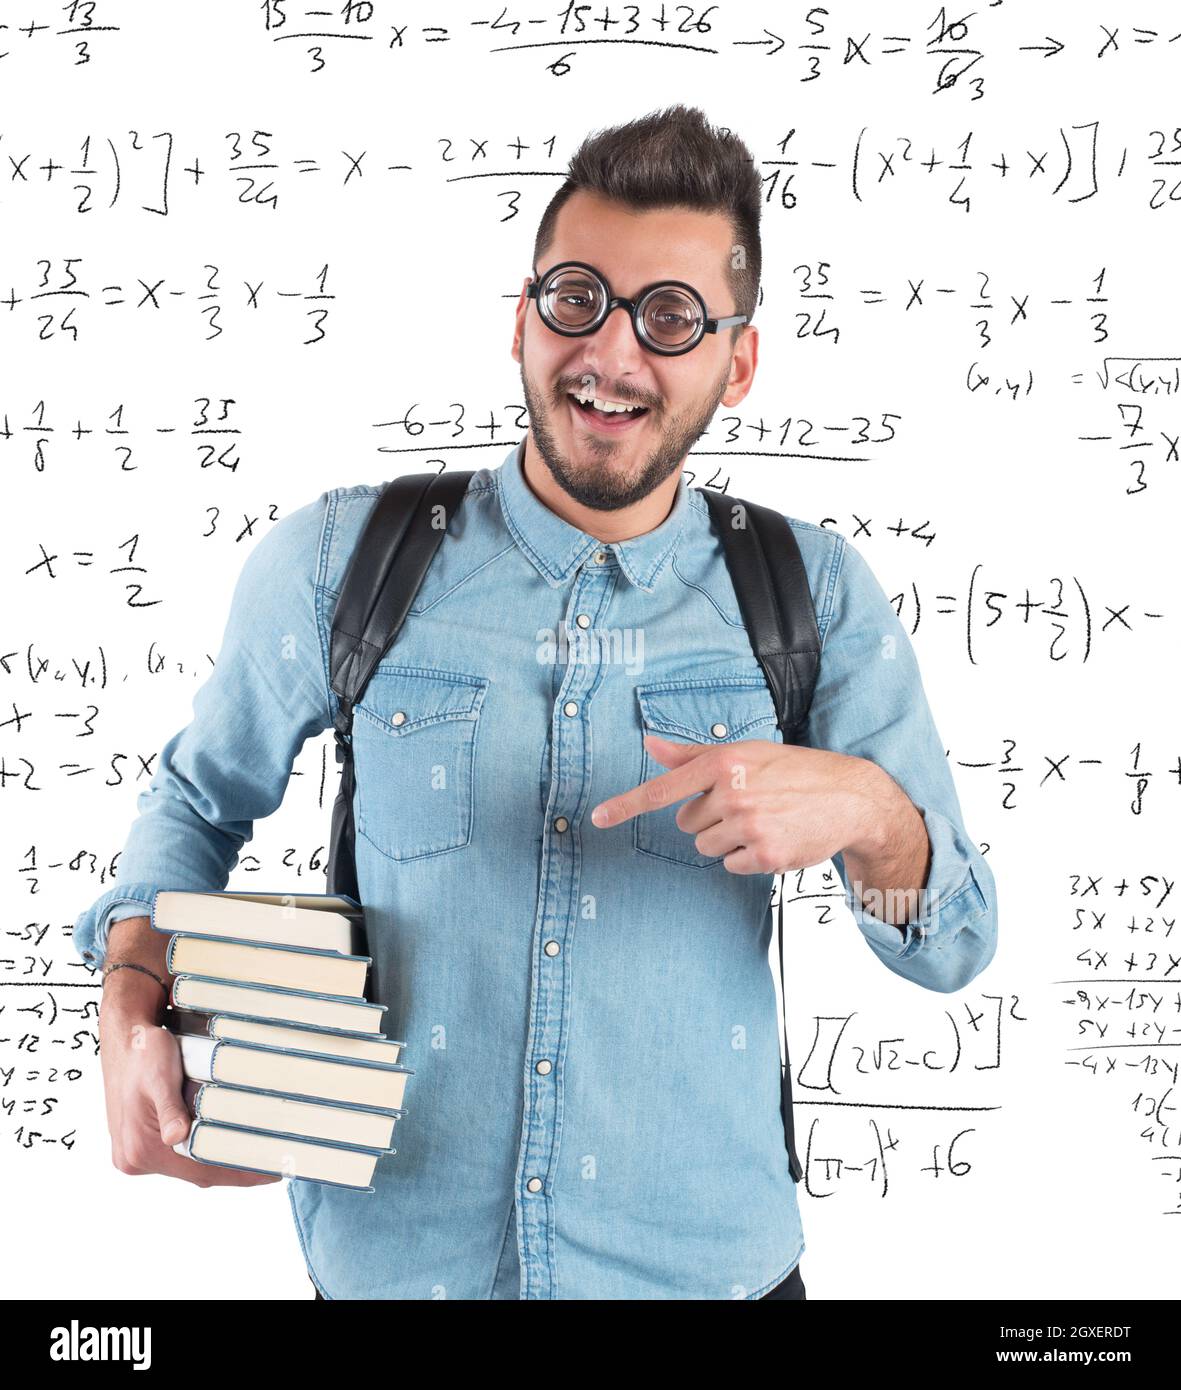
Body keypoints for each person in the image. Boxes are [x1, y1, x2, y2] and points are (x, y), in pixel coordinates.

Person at [77, 104, 997, 1300]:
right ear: (521, 319)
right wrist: (131, 998)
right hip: (396, 1270)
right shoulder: (338, 563)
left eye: (669, 318)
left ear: (739, 359)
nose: (610, 355)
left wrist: (877, 816)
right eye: (577, 299)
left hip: (708, 1276)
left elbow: (954, 944)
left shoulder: (811, 595)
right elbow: (199, 800)